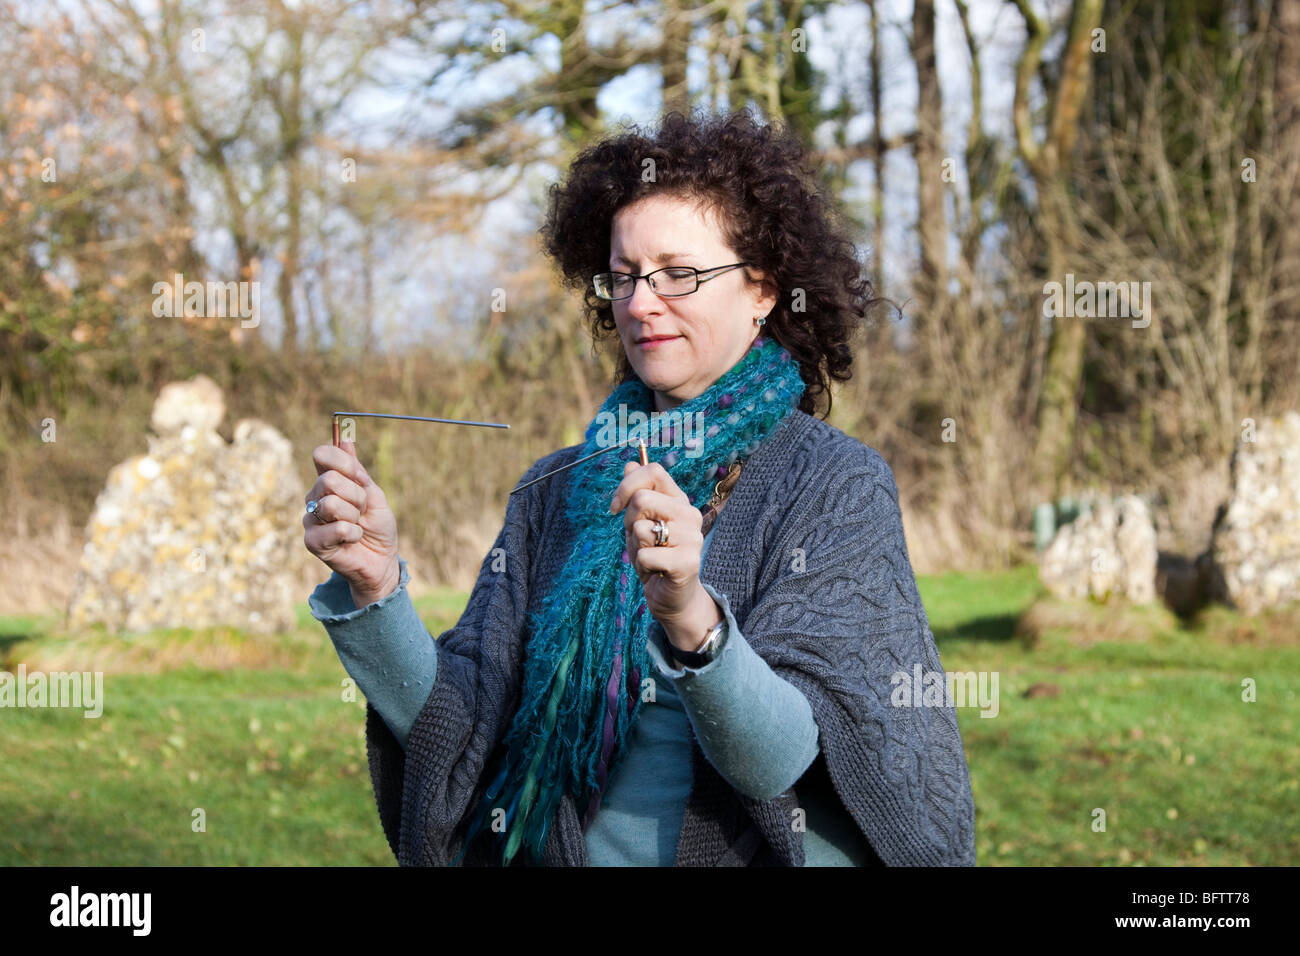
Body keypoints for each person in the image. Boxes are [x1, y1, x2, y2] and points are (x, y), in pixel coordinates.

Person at [303, 109, 976, 866]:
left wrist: (689, 614)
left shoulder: (833, 486)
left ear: (762, 290)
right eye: (622, 277)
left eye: (679, 274)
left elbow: (779, 762)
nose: (642, 301)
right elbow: (461, 728)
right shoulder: (554, 491)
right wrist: (376, 587)